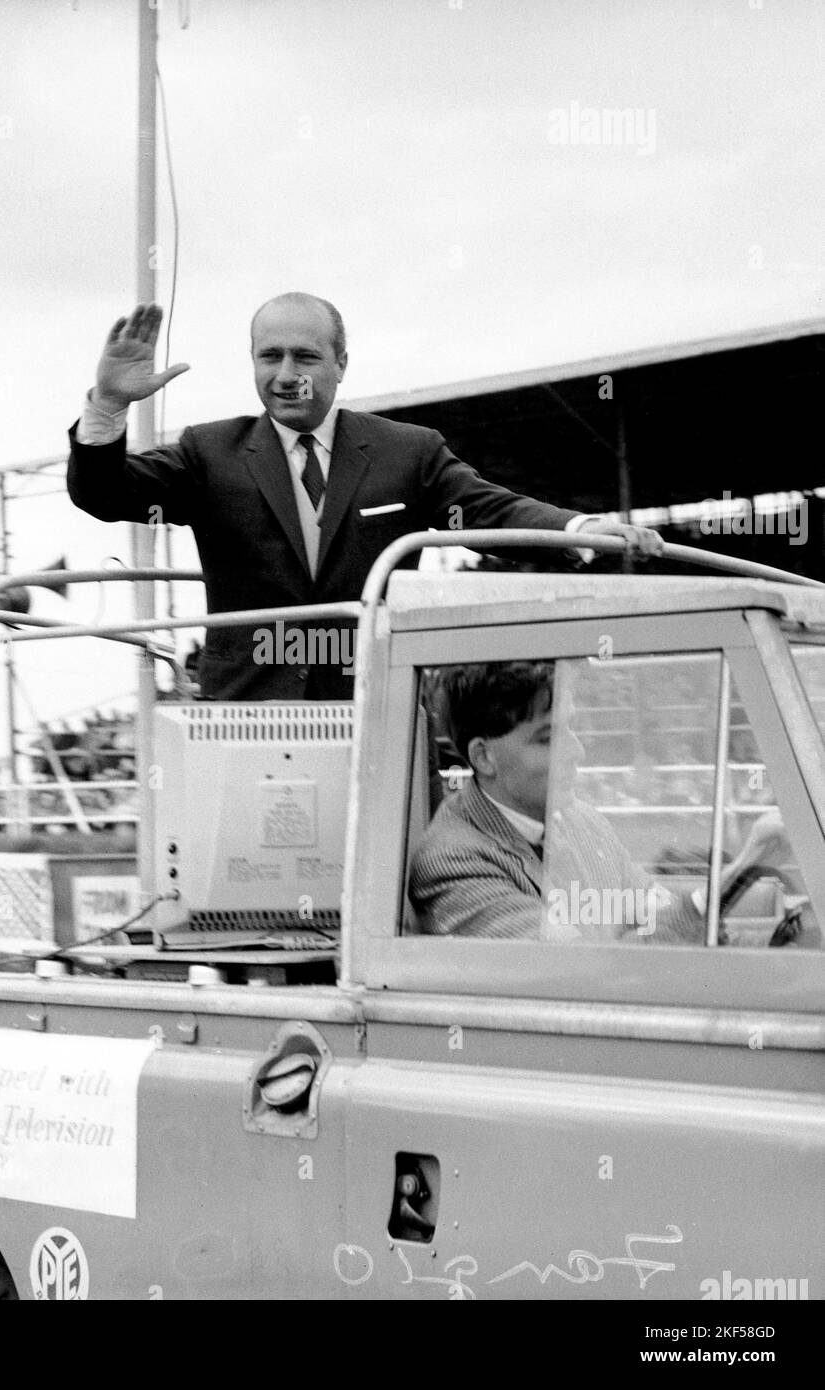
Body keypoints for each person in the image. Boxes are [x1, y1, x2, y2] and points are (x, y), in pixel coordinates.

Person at [67, 296, 663, 699]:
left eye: (305, 356)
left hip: (377, 708)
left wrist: (579, 530)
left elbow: (490, 508)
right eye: (269, 356)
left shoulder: (409, 452)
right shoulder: (209, 453)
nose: (285, 373)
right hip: (247, 715)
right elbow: (104, 492)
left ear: (341, 363)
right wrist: (108, 407)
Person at [408, 662, 790, 943]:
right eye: (547, 738)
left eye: (571, 728)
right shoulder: (452, 862)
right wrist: (743, 865)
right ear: (484, 757)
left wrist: (747, 883)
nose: (576, 750)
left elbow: (658, 912)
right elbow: (585, 972)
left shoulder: (581, 822)